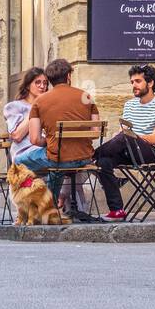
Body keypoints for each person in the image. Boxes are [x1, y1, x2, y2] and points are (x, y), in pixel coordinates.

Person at [93, 65, 155, 221]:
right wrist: (122, 136)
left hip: (150, 154)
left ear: (150, 83)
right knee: (103, 162)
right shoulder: (129, 105)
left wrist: (129, 136)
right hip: (128, 151)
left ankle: (89, 157)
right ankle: (117, 211)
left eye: (138, 81)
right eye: (132, 82)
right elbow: (124, 133)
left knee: (125, 136)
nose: (134, 85)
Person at [19, 58, 100, 212]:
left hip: (58, 159)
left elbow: (34, 139)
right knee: (58, 166)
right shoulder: (86, 97)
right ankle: (51, 203)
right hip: (84, 157)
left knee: (19, 161)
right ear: (68, 76)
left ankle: (37, 206)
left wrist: (49, 142)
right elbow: (95, 133)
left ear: (49, 80)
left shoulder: (40, 101)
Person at [3, 67, 48, 163]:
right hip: (24, 152)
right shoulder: (14, 107)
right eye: (37, 82)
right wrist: (35, 107)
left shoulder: (47, 106)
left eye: (45, 83)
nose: (42, 86)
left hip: (44, 150)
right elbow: (17, 136)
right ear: (28, 86)